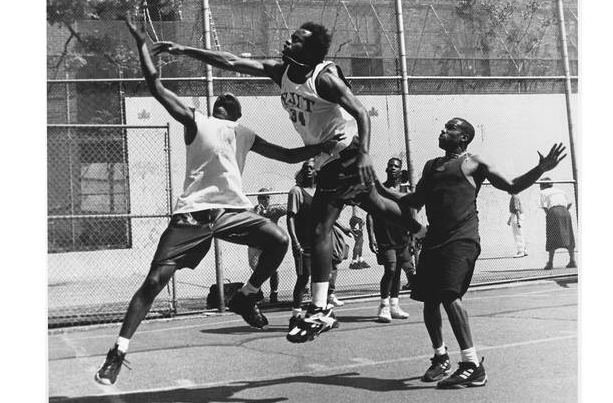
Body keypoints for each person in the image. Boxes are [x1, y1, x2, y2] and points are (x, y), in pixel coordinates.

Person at [94, 20, 341, 386]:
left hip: (230, 213)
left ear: (238, 113)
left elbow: (289, 157)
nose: (226, 100)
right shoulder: (196, 121)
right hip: (192, 215)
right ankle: (118, 351)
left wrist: (319, 148)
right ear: (215, 108)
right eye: (221, 100)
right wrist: (144, 49)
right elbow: (156, 86)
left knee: (278, 240)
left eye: (232, 100)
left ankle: (247, 295)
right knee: (153, 282)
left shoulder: (245, 133)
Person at [153, 22, 422, 344]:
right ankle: (423, 233)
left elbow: (361, 112)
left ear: (308, 52)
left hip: (344, 151)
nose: (287, 41)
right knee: (378, 204)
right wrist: (185, 50)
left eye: (296, 40)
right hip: (327, 158)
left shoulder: (323, 78)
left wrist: (363, 152)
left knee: (322, 227)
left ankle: (320, 307)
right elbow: (232, 61)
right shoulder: (280, 72)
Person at [379, 118, 565, 389]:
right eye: (444, 128)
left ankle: (471, 365)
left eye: (450, 129)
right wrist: (378, 191)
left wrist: (540, 168)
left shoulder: (475, 162)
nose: (443, 131)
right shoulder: (431, 166)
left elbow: (511, 185)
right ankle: (440, 357)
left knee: (448, 294)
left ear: (463, 138)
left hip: (462, 239)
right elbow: (414, 201)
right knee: (430, 300)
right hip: (434, 239)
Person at [286, 161, 346, 328]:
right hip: (303, 243)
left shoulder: (321, 191)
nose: (309, 171)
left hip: (319, 243)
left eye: (312, 168)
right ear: (302, 172)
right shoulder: (296, 191)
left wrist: (343, 227)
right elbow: (290, 217)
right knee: (303, 279)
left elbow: (327, 216)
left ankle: (322, 314)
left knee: (321, 279)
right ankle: (295, 317)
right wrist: (295, 241)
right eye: (306, 168)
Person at [369, 158, 415, 323]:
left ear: (400, 170)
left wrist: (413, 236)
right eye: (390, 166)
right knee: (390, 268)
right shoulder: (379, 189)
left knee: (397, 272)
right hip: (384, 236)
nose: (392, 168)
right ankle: (383, 306)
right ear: (386, 169)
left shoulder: (405, 190)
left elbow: (411, 214)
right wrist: (371, 236)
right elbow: (370, 214)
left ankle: (394, 305)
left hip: (402, 236)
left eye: (396, 166)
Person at [248, 188, 288, 302]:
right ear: (257, 199)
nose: (264, 200)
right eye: (261, 197)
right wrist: (257, 212)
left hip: (270, 243)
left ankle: (274, 294)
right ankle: (258, 293)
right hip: (256, 244)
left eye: (266, 197)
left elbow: (287, 208)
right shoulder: (254, 211)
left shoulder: (273, 210)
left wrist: (273, 209)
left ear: (269, 198)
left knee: (274, 269)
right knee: (255, 267)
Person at [539, 177, 577, 269]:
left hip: (553, 212)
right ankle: (572, 260)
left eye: (540, 185)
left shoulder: (543, 192)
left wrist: (551, 214)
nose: (539, 187)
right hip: (565, 211)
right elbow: (570, 203)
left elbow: (544, 207)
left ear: (543, 185)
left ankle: (550, 263)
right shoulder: (560, 191)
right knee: (568, 235)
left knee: (552, 236)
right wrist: (564, 211)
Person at [508, 193, 527, 258]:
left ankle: (520, 251)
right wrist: (510, 219)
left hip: (517, 216)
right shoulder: (516, 196)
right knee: (520, 233)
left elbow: (517, 210)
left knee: (517, 235)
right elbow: (515, 210)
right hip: (516, 216)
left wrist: (518, 220)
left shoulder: (514, 196)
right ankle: (524, 250)